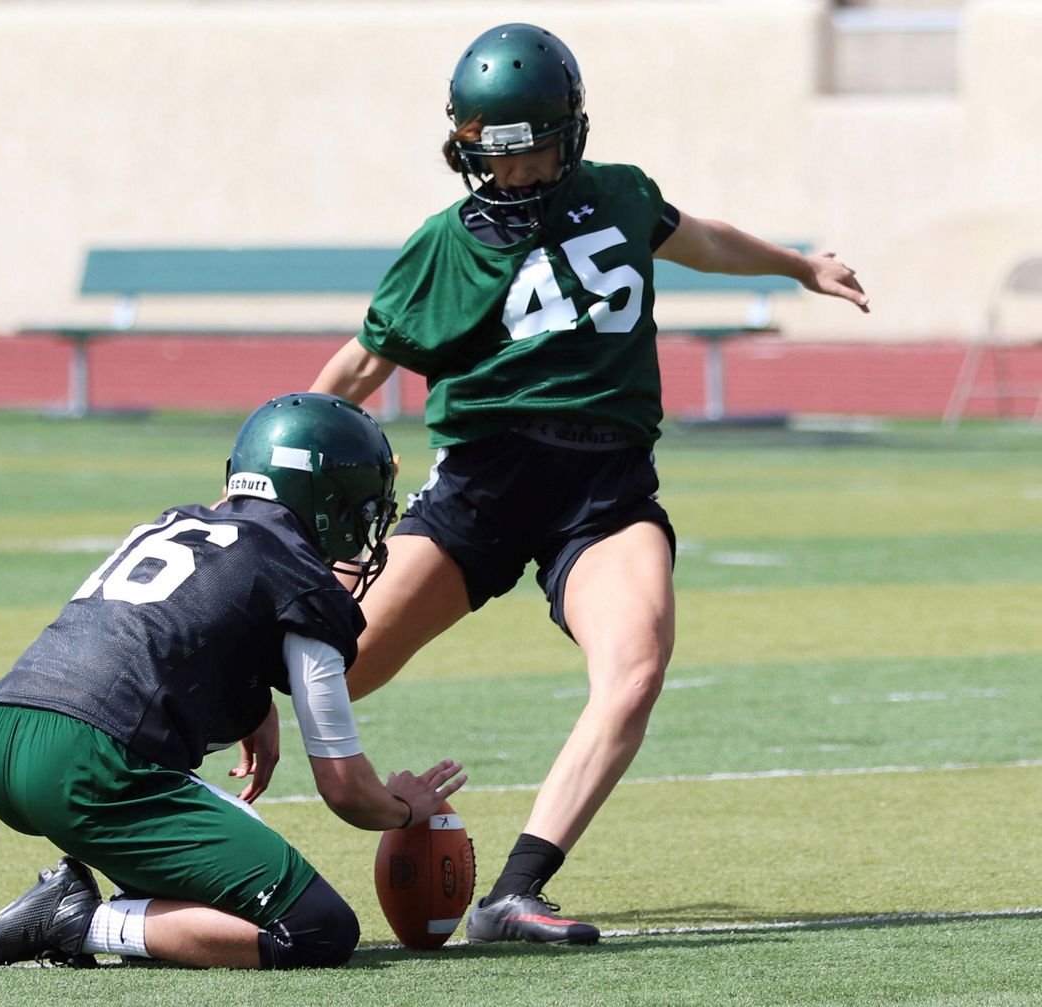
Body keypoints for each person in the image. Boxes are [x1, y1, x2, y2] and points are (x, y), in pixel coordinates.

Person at [311, 23, 869, 945]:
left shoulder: (619, 192)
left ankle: (516, 890)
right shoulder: (441, 248)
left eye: (534, 151)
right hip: (484, 485)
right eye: (500, 155)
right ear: (465, 147)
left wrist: (798, 264)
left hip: (605, 487)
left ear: (571, 133)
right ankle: (163, 816)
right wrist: (264, 481)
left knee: (636, 667)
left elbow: (701, 238)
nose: (520, 173)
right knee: (331, 663)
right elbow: (354, 373)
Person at [0, 392, 466, 971]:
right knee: (315, 929)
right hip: (90, 765)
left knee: (218, 892)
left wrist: (252, 707)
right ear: (327, 498)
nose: (370, 517)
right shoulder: (301, 579)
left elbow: (167, 628)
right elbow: (344, 787)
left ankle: (132, 920)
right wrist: (404, 808)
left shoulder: (175, 522)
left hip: (2, 735)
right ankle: (79, 922)